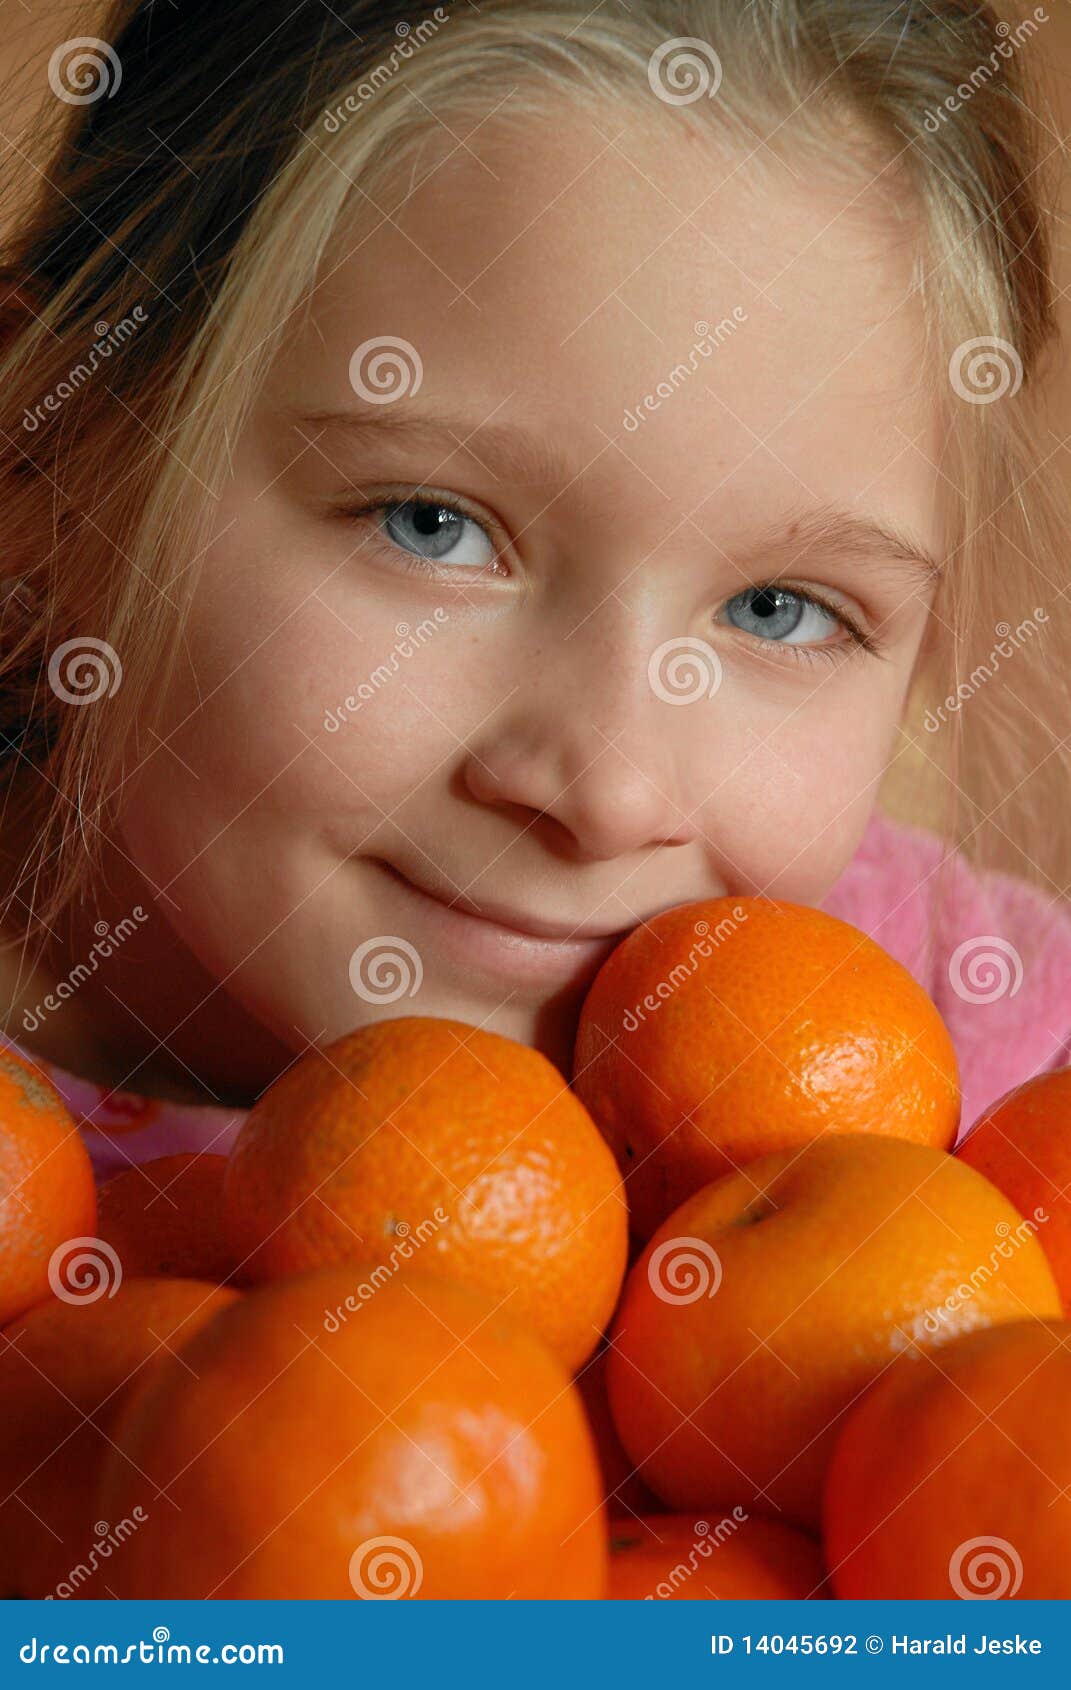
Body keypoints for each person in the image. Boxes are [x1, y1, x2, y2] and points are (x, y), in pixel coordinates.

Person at [0, 0, 1068, 1181]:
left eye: (781, 608)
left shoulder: (1004, 1071)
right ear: (44, 461)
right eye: (434, 526)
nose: (605, 794)